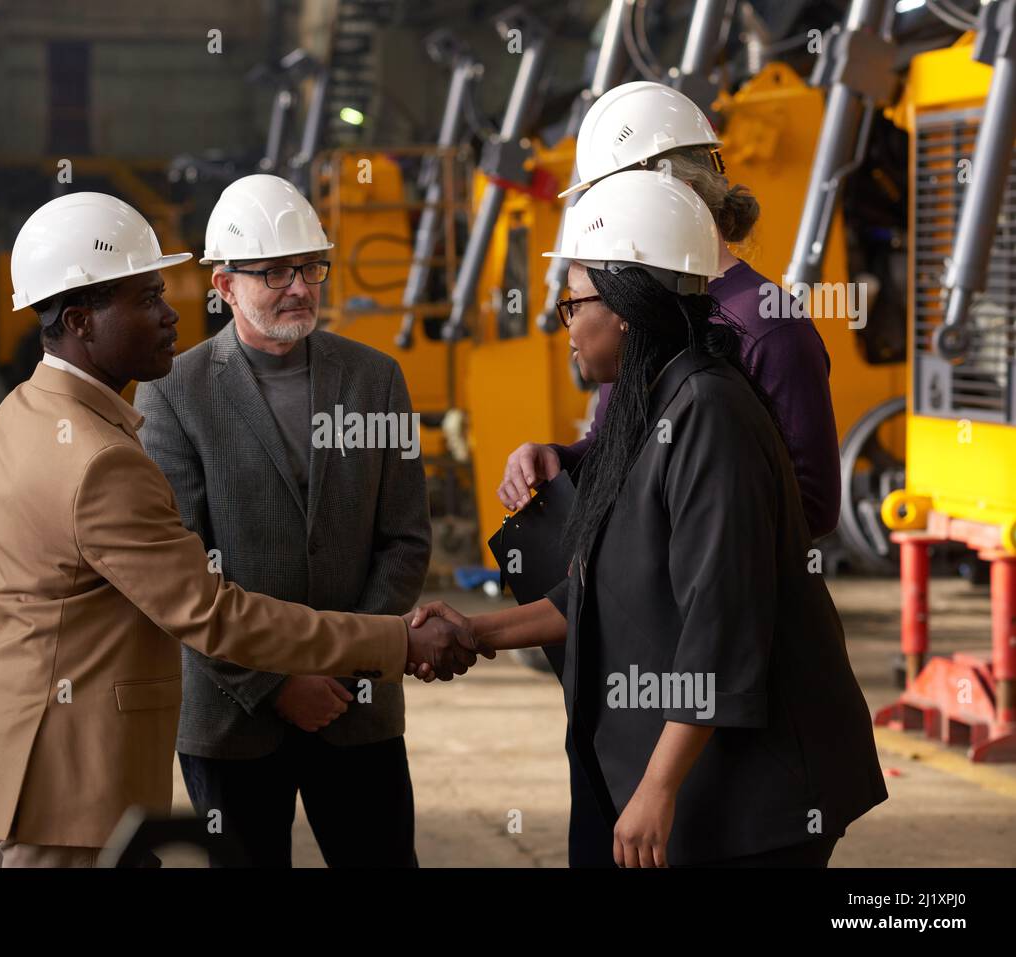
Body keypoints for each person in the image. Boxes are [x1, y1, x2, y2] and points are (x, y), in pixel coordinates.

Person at [0, 192, 476, 868]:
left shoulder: (21, 413)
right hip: (75, 780)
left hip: (26, 761)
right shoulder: (102, 456)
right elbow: (210, 612)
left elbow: (403, 535)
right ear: (80, 319)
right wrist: (395, 639)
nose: (170, 314)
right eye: (145, 299)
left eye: (310, 268)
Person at [413, 171, 887, 867]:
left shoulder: (707, 415)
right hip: (697, 770)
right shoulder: (644, 407)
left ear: (629, 307)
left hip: (758, 793)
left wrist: (658, 784)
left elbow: (721, 621)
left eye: (574, 304)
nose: (565, 326)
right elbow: (601, 593)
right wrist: (475, 631)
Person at [137, 174, 431, 867]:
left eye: (309, 268)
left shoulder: (374, 378)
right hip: (230, 717)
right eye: (273, 272)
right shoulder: (172, 394)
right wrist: (274, 682)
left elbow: (406, 537)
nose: (298, 287)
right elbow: (181, 570)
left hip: (358, 709)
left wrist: (347, 665)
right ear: (224, 286)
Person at [501, 81, 841, 541]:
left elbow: (814, 508)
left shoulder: (769, 324)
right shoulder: (642, 310)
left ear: (675, 189)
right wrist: (562, 460)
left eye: (611, 194)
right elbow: (620, 447)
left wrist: (679, 528)